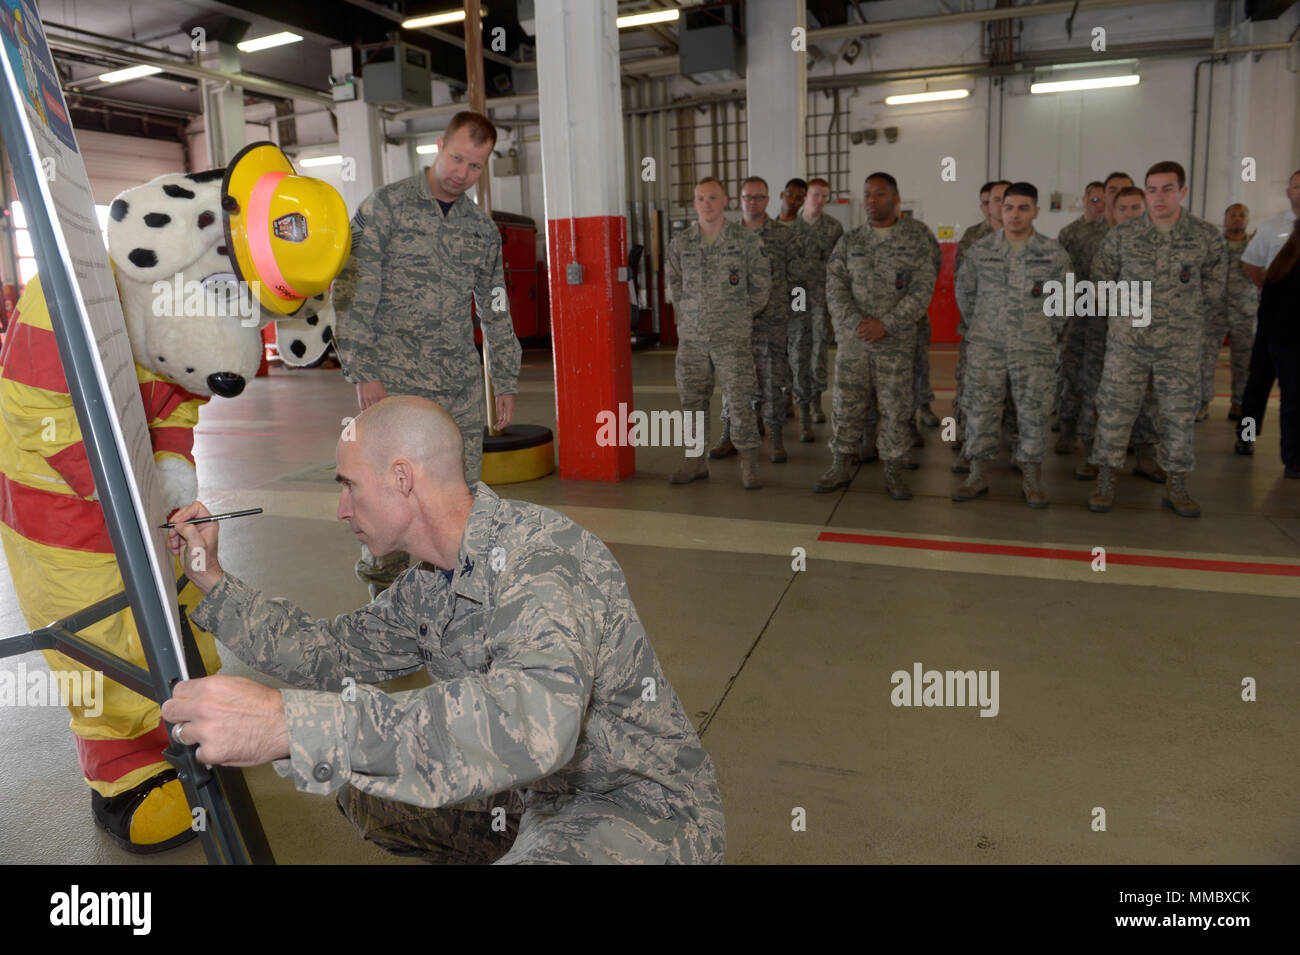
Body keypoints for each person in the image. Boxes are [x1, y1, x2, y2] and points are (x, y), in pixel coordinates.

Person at [161, 397, 726, 864]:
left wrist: (295, 724)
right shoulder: (429, 582)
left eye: (349, 485)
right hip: (536, 791)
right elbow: (331, 653)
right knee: (366, 793)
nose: (340, 508)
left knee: (364, 756)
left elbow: (534, 724)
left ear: (402, 479)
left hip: (631, 803)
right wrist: (210, 575)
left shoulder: (542, 562)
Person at [333, 110, 521, 598]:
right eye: (457, 158)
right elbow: (353, 294)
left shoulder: (482, 230)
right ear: (438, 146)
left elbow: (495, 306)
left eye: (476, 166)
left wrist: (505, 377)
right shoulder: (386, 209)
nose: (462, 173)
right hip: (393, 384)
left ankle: (455, 598)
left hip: (457, 385)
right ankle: (383, 605)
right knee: (386, 495)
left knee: (462, 494)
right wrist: (362, 373)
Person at [1087, 161, 1226, 517]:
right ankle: (1106, 479)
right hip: (1128, 344)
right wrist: (1124, 318)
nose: (1158, 196)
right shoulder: (1123, 235)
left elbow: (1214, 286)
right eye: (1152, 189)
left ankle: (1176, 484)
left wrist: (1186, 317)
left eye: (1167, 189)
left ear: (1182, 191)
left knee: (1178, 415)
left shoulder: (1206, 236)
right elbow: (1101, 280)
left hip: (1179, 345)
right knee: (1115, 410)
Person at [815, 172, 937, 500]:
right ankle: (841, 464)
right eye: (867, 195)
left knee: (896, 408)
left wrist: (887, 324)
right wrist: (857, 322)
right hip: (855, 343)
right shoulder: (851, 240)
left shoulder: (915, 241)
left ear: (895, 199)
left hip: (895, 342)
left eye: (879, 194)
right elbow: (835, 285)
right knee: (846, 405)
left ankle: (894, 471)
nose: (871, 201)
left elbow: (922, 290)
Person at [952, 182, 1071, 507]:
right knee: (980, 410)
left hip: (1034, 350)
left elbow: (1063, 303)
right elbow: (965, 294)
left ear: (1035, 211)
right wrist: (985, 327)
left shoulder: (1053, 254)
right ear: (999, 210)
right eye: (1008, 207)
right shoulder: (981, 251)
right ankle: (977, 475)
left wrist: (1044, 333)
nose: (1014, 214)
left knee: (1033, 413)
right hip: (986, 348)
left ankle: (1032, 478)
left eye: (1022, 208)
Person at [666, 176, 771, 488]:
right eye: (700, 198)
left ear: (725, 201)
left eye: (712, 198)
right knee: (692, 400)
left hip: (732, 337)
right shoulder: (681, 243)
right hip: (693, 340)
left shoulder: (747, 240)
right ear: (694, 203)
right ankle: (694, 461)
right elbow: (675, 286)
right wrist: (688, 319)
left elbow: (761, 286)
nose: (706, 204)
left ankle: (749, 464)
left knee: (740, 399)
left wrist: (737, 316)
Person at [1073, 184, 1163, 482]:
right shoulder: (1103, 238)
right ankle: (1094, 454)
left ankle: (1145, 453)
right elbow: (1095, 286)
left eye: (1135, 208)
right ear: (1111, 209)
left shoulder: (1160, 239)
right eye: (1122, 208)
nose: (1129, 214)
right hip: (1100, 328)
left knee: (1147, 394)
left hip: (1149, 334)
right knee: (1098, 392)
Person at [713, 175, 797, 463]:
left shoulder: (783, 236)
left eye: (759, 197)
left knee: (771, 380)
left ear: (768, 199)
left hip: (772, 322)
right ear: (740, 200)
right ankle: (729, 435)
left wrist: (794, 315)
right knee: (733, 381)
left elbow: (797, 280)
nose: (753, 202)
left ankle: (774, 439)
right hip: (735, 324)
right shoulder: (726, 236)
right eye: (748, 197)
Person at [1235, 170, 1300, 455]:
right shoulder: (1272, 227)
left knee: (1295, 393)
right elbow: (1251, 263)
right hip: (1273, 319)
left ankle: (1293, 455)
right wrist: (1271, 288)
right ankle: (1246, 436)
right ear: (1289, 192)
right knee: (1257, 384)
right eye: (1297, 186)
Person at [952, 180, 1010, 473]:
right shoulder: (974, 238)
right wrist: (979, 324)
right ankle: (966, 444)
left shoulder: (1029, 239)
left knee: (1013, 395)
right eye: (993, 200)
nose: (997, 206)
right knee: (971, 390)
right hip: (979, 333)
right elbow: (962, 284)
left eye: (1003, 199)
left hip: (1016, 338)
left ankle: (1013, 447)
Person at [1054, 180, 1108, 453]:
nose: (1099, 205)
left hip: (1104, 316)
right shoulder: (1069, 233)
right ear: (1085, 200)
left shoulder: (1114, 232)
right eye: (1094, 200)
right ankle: (1066, 427)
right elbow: (1057, 275)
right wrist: (1055, 320)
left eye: (1103, 200)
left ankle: (1092, 432)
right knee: (1070, 372)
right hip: (1075, 314)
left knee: (1096, 375)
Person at [1197, 203, 1259, 421]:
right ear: (1224, 219)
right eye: (1232, 215)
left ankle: (1239, 404)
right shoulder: (1213, 246)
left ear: (1248, 220)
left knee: (1244, 363)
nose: (1237, 218)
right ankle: (1201, 404)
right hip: (1214, 313)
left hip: (1245, 313)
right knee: (1205, 361)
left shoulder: (1254, 246)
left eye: (1242, 215)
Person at [795, 177, 845, 429]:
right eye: (816, 195)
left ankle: (814, 401)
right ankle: (793, 400)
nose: (820, 200)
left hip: (821, 300)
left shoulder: (833, 228)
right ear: (806, 195)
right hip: (794, 299)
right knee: (794, 348)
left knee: (818, 349)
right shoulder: (789, 226)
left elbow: (841, 267)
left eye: (825, 196)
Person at [1255, 220, 1300, 477]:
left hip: (1280, 344)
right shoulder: (1286, 265)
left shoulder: (1282, 264)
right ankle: (1247, 438)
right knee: (1288, 401)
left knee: (1292, 403)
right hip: (1286, 346)